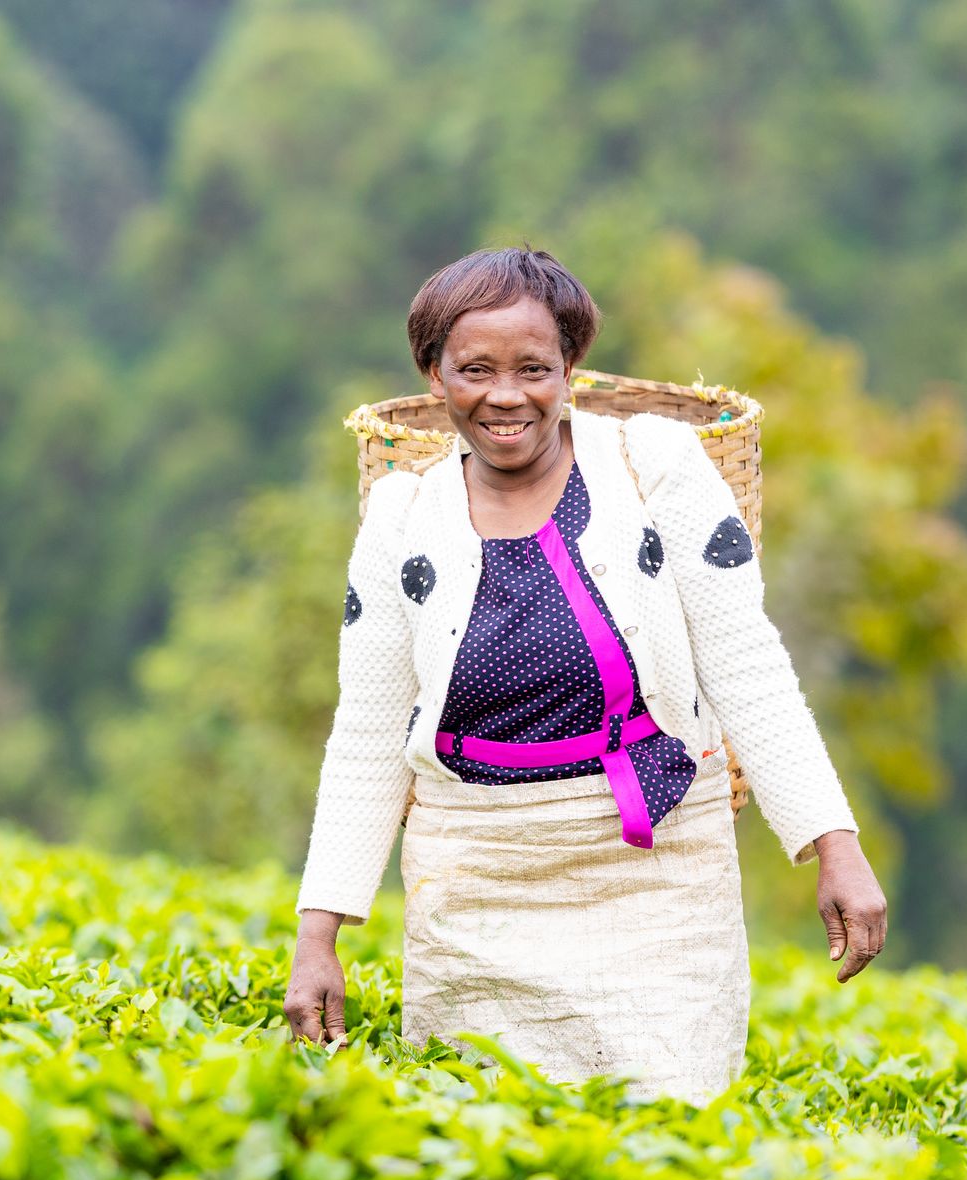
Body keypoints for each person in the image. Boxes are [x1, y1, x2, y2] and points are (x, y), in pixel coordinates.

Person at [283, 245, 888, 1106]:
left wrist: (833, 842)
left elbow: (746, 661)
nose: (506, 394)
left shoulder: (656, 469)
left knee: (667, 1117)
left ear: (572, 369)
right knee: (488, 1136)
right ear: (433, 374)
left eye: (534, 367)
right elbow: (369, 734)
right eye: (475, 369)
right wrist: (321, 933)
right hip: (477, 879)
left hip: (653, 866)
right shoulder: (401, 516)